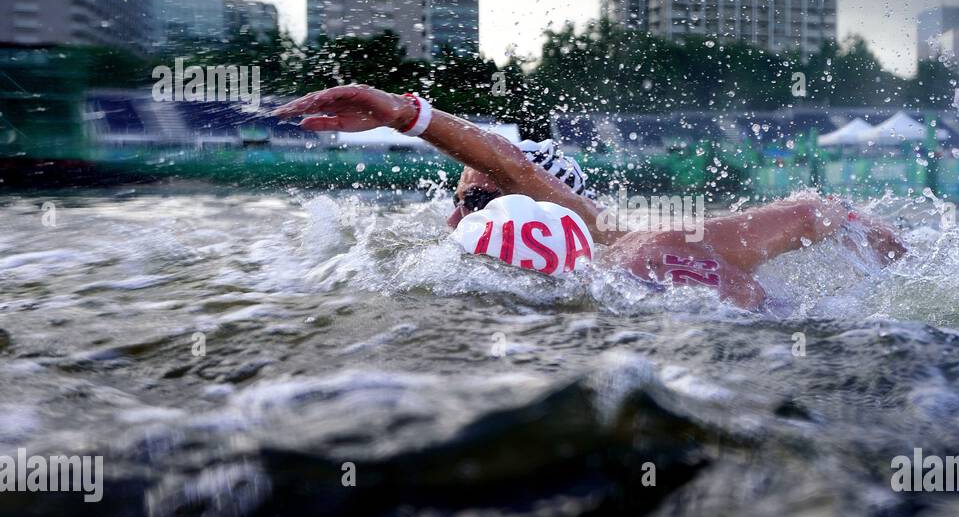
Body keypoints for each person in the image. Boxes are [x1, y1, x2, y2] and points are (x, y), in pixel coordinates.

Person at [271, 85, 906, 309]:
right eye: (464, 201)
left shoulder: (632, 251)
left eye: (474, 201)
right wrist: (905, 261)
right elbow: (819, 210)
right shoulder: (664, 242)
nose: (459, 217)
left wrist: (405, 114)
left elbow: (508, 162)